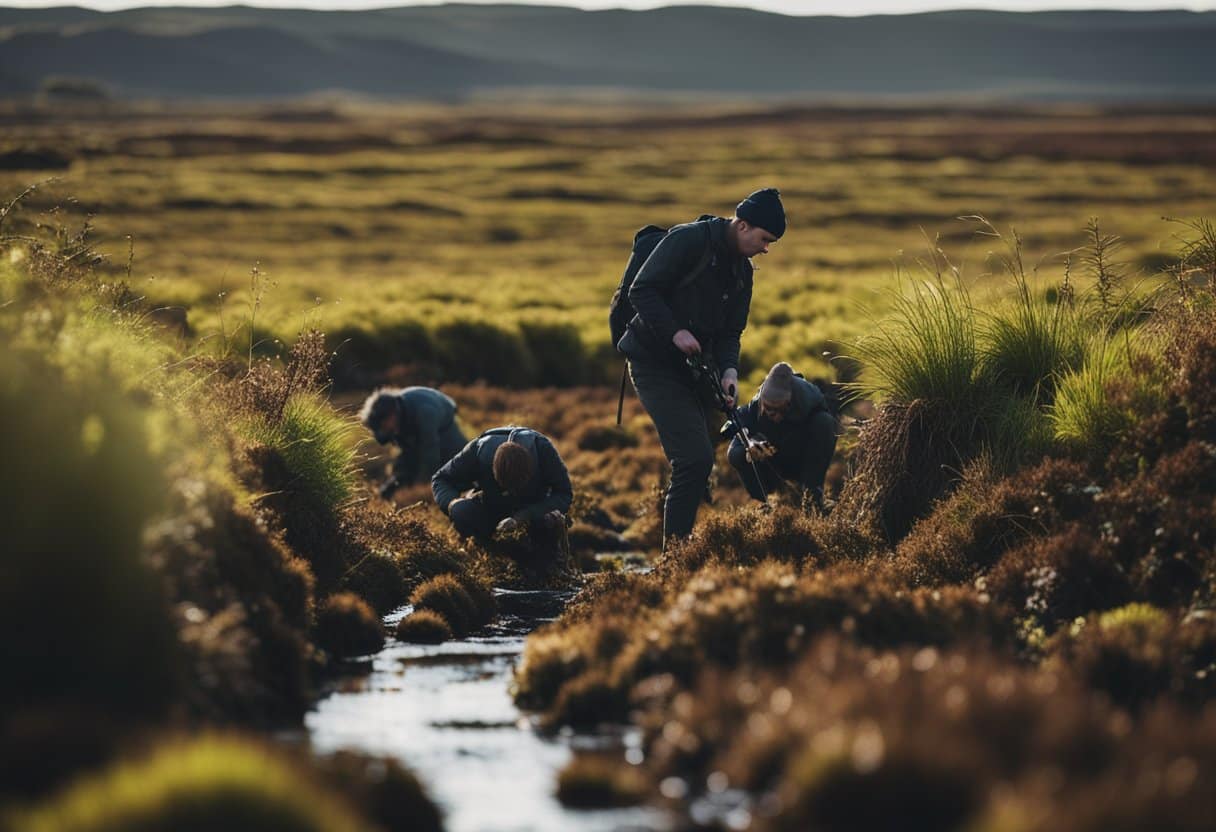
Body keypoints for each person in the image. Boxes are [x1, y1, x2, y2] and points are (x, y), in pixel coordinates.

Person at [616, 187, 785, 544]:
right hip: (653, 364)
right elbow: (641, 290)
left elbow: (731, 331)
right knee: (694, 460)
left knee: (704, 454)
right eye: (765, 238)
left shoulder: (743, 272)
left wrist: (729, 371)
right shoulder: (687, 241)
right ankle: (674, 558)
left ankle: (688, 533)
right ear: (742, 225)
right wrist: (675, 332)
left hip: (698, 369)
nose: (766, 248)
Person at [431, 426, 573, 553]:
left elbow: (564, 493)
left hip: (534, 512)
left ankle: (542, 561)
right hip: (491, 508)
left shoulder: (542, 449)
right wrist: (451, 503)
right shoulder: (478, 450)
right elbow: (441, 479)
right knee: (460, 510)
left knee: (550, 520)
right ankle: (488, 551)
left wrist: (523, 517)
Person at [725, 362, 838, 510]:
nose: (776, 416)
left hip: (804, 461)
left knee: (825, 423)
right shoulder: (753, 408)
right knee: (738, 454)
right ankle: (765, 502)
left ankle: (812, 499)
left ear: (790, 402)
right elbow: (733, 452)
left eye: (781, 410)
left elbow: (829, 434)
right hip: (775, 464)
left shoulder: (812, 399)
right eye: (770, 410)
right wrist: (750, 447)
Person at [359, 386, 467, 499]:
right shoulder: (390, 418)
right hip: (412, 422)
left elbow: (430, 452)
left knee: (454, 462)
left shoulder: (425, 412)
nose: (382, 430)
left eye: (383, 426)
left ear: (391, 416)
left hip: (444, 424)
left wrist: (423, 484)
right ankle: (385, 494)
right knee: (405, 463)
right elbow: (385, 438)